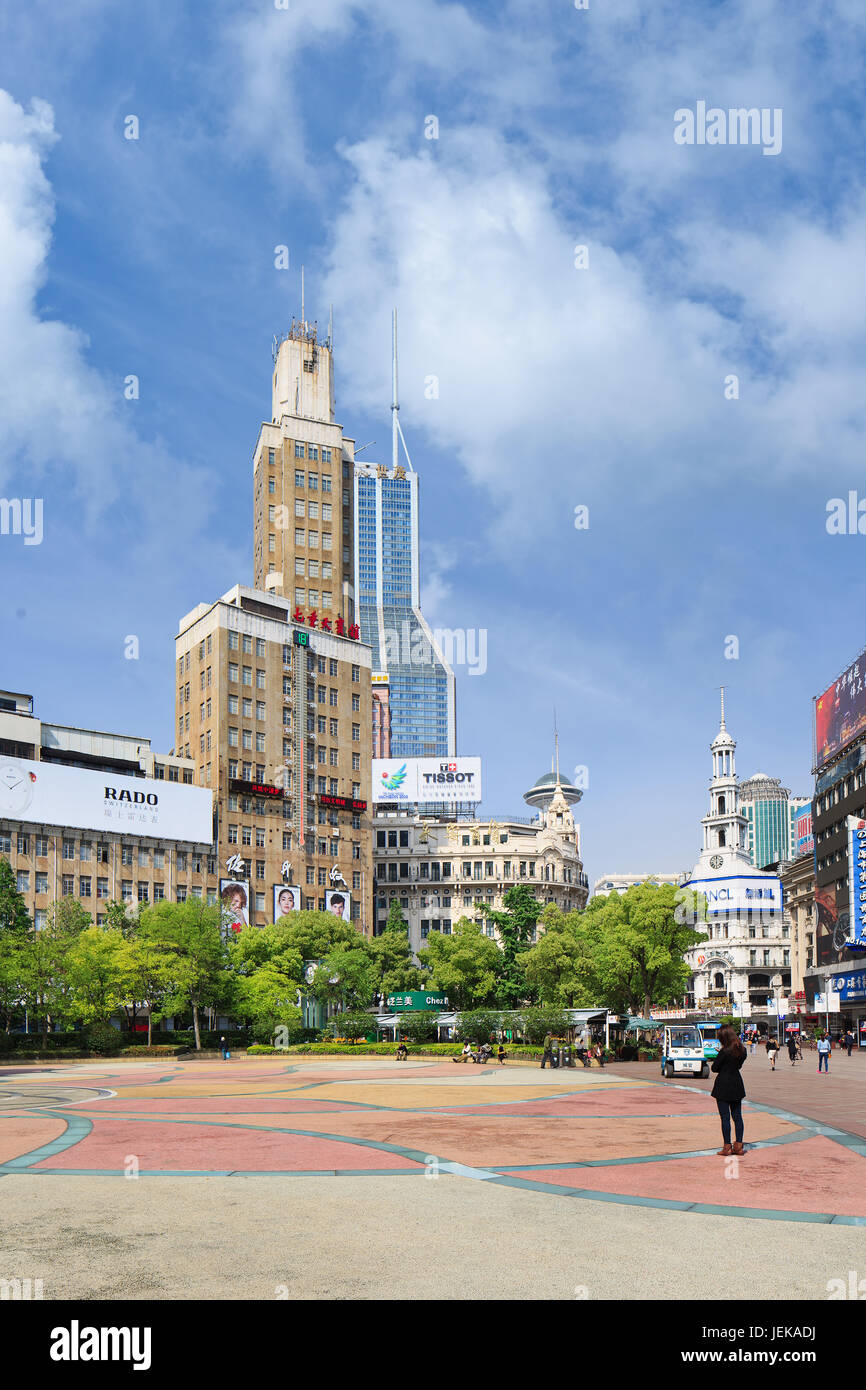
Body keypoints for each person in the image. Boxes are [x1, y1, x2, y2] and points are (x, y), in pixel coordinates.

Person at [711, 1025, 747, 1157]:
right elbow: (739, 1065)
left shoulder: (724, 1051)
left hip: (723, 1085)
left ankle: (727, 1147)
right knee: (737, 1117)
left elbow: (714, 1068)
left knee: (725, 1117)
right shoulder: (742, 1050)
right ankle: (739, 1146)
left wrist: (720, 1054)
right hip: (737, 1084)